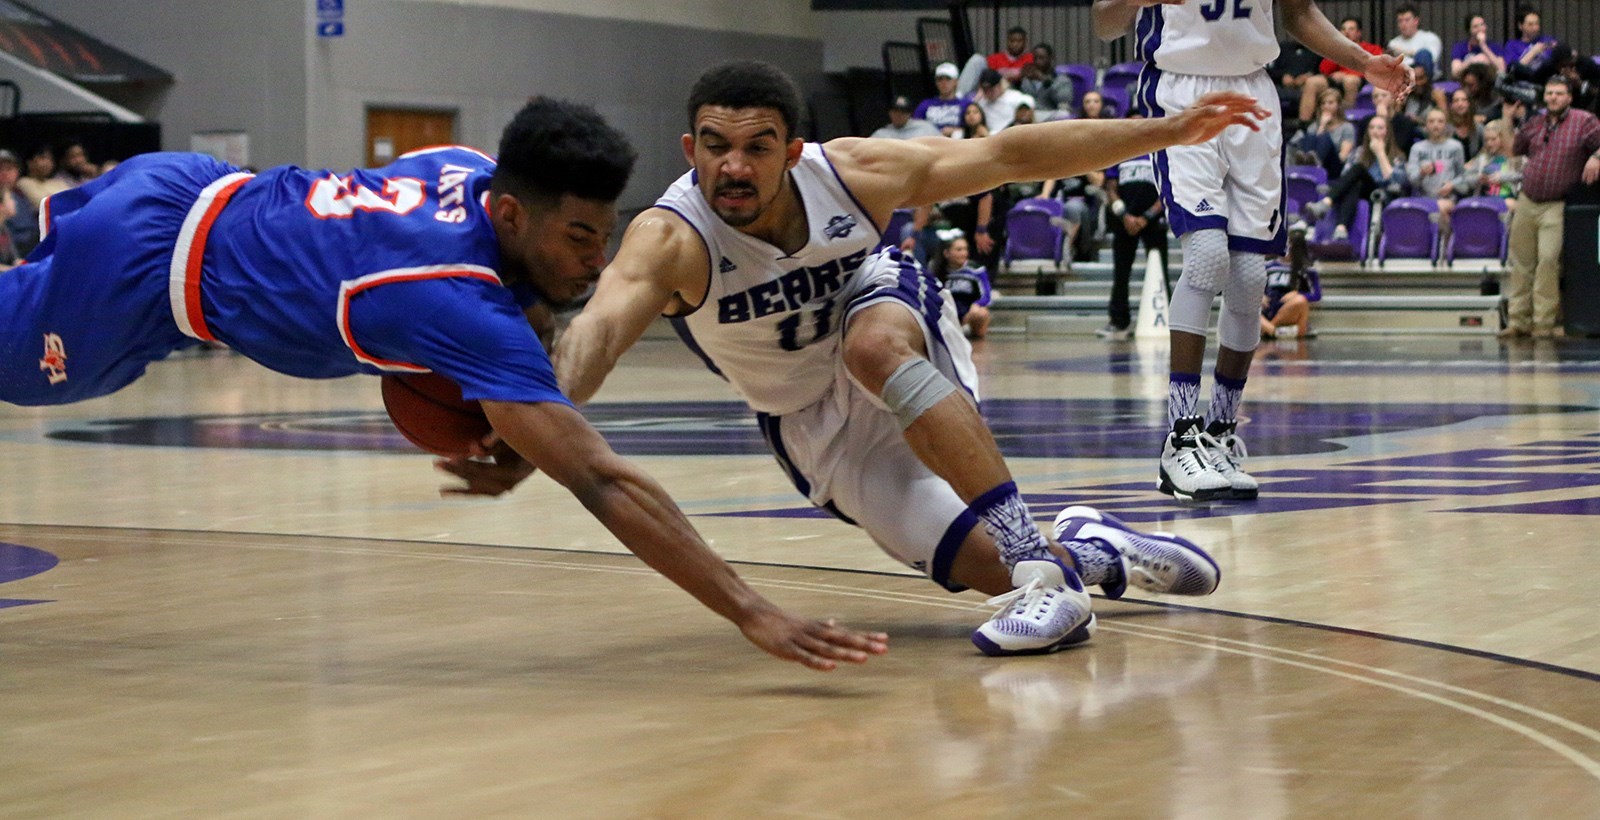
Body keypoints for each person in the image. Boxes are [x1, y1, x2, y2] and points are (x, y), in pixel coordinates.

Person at [0, 97, 889, 672]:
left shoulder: (464, 166)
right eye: (580, 237)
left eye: (604, 232)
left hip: (191, 191)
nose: (599, 259)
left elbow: (528, 301)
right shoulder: (456, 305)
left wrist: (519, 401)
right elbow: (605, 479)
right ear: (509, 214)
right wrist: (752, 613)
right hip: (143, 276)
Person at [551, 61, 1252, 656]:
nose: (732, 167)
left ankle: (1042, 572)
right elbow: (601, 330)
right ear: (689, 147)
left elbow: (1009, 156)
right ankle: (1093, 550)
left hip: (882, 312)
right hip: (809, 419)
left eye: (756, 148)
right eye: (714, 146)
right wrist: (531, 422)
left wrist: (1161, 133)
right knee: (984, 567)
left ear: (793, 152)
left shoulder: (852, 173)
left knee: (871, 348)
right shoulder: (671, 238)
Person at [1093, 0, 1410, 503]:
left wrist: (1361, 61)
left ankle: (1218, 435)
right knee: (1207, 257)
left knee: (1248, 277)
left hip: (1254, 93)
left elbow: (1298, 12)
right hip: (1181, 89)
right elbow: (1103, 20)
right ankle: (1179, 438)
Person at [1503, 76, 1600, 339]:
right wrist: (1507, 120)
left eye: (1558, 93)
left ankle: (1543, 323)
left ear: (1569, 97)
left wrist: (1595, 156)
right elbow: (1512, 150)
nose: (1553, 98)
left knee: (1547, 261)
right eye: (1549, 93)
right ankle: (1517, 321)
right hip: (1528, 199)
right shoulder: (1535, 122)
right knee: (1521, 262)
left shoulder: (1584, 121)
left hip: (1556, 204)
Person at [1100, 111, 1167, 341]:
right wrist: (1125, 215)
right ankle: (1118, 322)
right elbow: (1110, 187)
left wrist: (1147, 216)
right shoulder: (1118, 153)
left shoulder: (1159, 153)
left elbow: (1168, 189)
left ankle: (1167, 319)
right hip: (1124, 220)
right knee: (1121, 272)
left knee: (1160, 270)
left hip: (1153, 220)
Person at [1302, 114, 1408, 241]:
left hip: (1383, 194)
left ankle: (1326, 203)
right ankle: (1341, 229)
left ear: (1388, 132)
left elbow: (1396, 181)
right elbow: (1345, 179)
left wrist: (1380, 153)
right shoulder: (1359, 152)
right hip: (1360, 191)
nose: (1375, 131)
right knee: (1355, 184)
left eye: (1380, 128)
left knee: (1359, 168)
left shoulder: (1398, 156)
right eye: (1372, 128)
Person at [1301, 16, 1386, 121]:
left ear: (1359, 33)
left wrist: (1347, 74)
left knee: (1349, 81)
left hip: (1359, 80)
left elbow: (1375, 69)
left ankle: (1345, 121)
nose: (1346, 32)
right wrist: (1338, 48)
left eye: (1351, 29)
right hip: (1336, 80)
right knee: (1312, 82)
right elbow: (1324, 69)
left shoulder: (1372, 48)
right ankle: (1303, 125)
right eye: (1343, 29)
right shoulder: (1337, 49)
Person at [1407, 107, 1467, 232]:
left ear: (1445, 125)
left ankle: (1444, 245)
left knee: (1439, 208)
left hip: (1448, 199)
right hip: (1423, 198)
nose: (1436, 125)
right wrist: (1421, 173)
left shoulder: (1455, 147)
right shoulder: (1417, 148)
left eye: (1440, 122)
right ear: (1426, 125)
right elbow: (1412, 180)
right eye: (1432, 121)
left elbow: (1463, 176)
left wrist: (1452, 184)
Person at [1260, 228, 1320, 339]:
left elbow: (1316, 295)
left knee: (1300, 301)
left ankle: (1268, 329)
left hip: (1288, 310)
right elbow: (1254, 285)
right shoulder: (1268, 266)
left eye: (1289, 247)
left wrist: (1298, 294)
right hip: (1267, 308)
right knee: (1247, 301)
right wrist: (1260, 295)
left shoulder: (1306, 271)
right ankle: (1274, 331)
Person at [934, 234, 992, 339]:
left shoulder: (976, 270)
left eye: (965, 249)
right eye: (959, 250)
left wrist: (976, 304)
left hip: (969, 312)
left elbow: (987, 295)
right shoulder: (937, 271)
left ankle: (974, 337)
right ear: (946, 253)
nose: (963, 253)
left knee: (981, 314)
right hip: (947, 313)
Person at [1290, 87, 1355, 177]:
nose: (1326, 106)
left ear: (1338, 105)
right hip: (1311, 161)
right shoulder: (1314, 126)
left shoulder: (1347, 127)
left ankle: (1316, 163)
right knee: (1310, 136)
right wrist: (1322, 126)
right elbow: (1312, 145)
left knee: (1325, 138)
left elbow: (1343, 156)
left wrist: (1325, 154)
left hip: (1334, 165)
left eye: (1330, 103)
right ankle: (1308, 165)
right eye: (1323, 103)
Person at [1463, 118, 1523, 206]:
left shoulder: (1517, 158)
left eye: (1493, 139)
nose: (1489, 143)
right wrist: (1478, 179)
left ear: (1503, 138)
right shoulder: (1482, 158)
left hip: (1508, 200)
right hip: (1484, 199)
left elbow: (1523, 175)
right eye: (1487, 140)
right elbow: (1466, 178)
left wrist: (1502, 177)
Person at [0, 148, 39, 258]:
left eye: (9, 169)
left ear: (17, 172)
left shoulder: (21, 196)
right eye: (0, 169)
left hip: (32, 250)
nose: (4, 174)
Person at [1388, 4, 1444, 80]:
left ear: (1416, 21)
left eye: (1407, 20)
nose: (1403, 24)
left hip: (1426, 80)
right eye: (1400, 21)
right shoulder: (1393, 43)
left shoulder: (1430, 38)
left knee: (1424, 54)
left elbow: (1431, 59)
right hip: (1402, 77)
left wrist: (1403, 52)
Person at [914, 62, 970, 137]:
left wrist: (955, 130)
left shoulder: (966, 104)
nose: (944, 82)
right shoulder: (925, 104)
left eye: (948, 79)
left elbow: (975, 128)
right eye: (940, 79)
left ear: (956, 82)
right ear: (936, 82)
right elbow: (915, 127)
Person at [1018, 44, 1074, 118]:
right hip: (1031, 116)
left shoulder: (1061, 79)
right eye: (1035, 58)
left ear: (1051, 58)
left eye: (1041, 58)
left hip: (1051, 114)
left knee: (1064, 114)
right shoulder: (1028, 80)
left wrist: (1044, 80)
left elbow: (1063, 101)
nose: (1037, 61)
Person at [1504, 6, 1557, 80]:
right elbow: (1513, 71)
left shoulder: (1548, 40)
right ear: (1520, 26)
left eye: (1537, 23)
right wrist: (1533, 52)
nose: (1535, 28)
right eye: (1530, 24)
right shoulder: (1512, 45)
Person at [1450, 13, 1507, 80]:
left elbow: (1502, 70)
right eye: (1475, 26)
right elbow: (1455, 72)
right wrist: (1474, 61)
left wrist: (1483, 46)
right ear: (1469, 30)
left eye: (1482, 24)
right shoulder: (1459, 47)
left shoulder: (1495, 46)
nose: (1480, 29)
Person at [15, 144, 69, 210]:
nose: (48, 162)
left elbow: (73, 200)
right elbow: (43, 204)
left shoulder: (59, 182)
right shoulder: (23, 182)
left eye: (51, 159)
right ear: (29, 162)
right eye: (43, 158)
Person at [871, 96, 940, 140]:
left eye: (903, 111)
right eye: (895, 111)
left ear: (909, 114)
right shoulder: (880, 135)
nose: (899, 115)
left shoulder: (926, 128)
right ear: (890, 113)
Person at [1447, 88, 1486, 157]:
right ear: (1451, 105)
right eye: (1456, 101)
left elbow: (1486, 147)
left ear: (1469, 104)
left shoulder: (1478, 127)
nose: (1460, 104)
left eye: (1463, 100)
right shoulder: (1446, 128)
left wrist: (1473, 162)